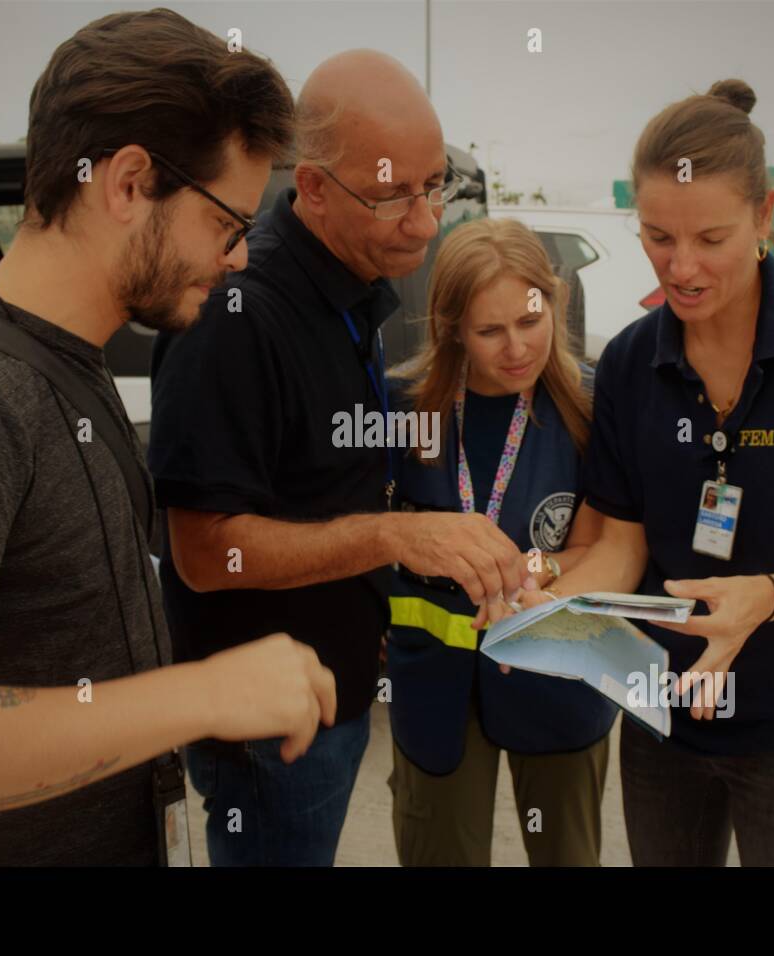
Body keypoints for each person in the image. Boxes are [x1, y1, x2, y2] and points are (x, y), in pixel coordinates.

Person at [0, 10, 337, 866]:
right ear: (127, 184)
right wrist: (203, 694)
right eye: (228, 225)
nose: (240, 258)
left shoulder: (65, 363)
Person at [511, 78, 774, 866]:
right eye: (657, 237)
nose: (682, 267)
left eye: (711, 238)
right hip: (666, 723)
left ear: (765, 214)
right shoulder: (632, 362)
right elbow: (622, 547)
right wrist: (542, 603)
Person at [148, 50, 526, 867]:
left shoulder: (351, 283)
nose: (425, 223)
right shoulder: (236, 313)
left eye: (434, 186)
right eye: (392, 196)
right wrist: (394, 539)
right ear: (313, 188)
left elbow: (322, 485)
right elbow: (204, 554)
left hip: (337, 683)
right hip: (270, 722)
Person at [385, 218, 616, 866]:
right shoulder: (403, 411)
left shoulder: (592, 408)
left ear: (555, 302)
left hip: (561, 683)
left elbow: (606, 548)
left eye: (531, 320)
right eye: (490, 331)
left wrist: (535, 569)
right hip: (436, 693)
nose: (517, 348)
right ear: (451, 327)